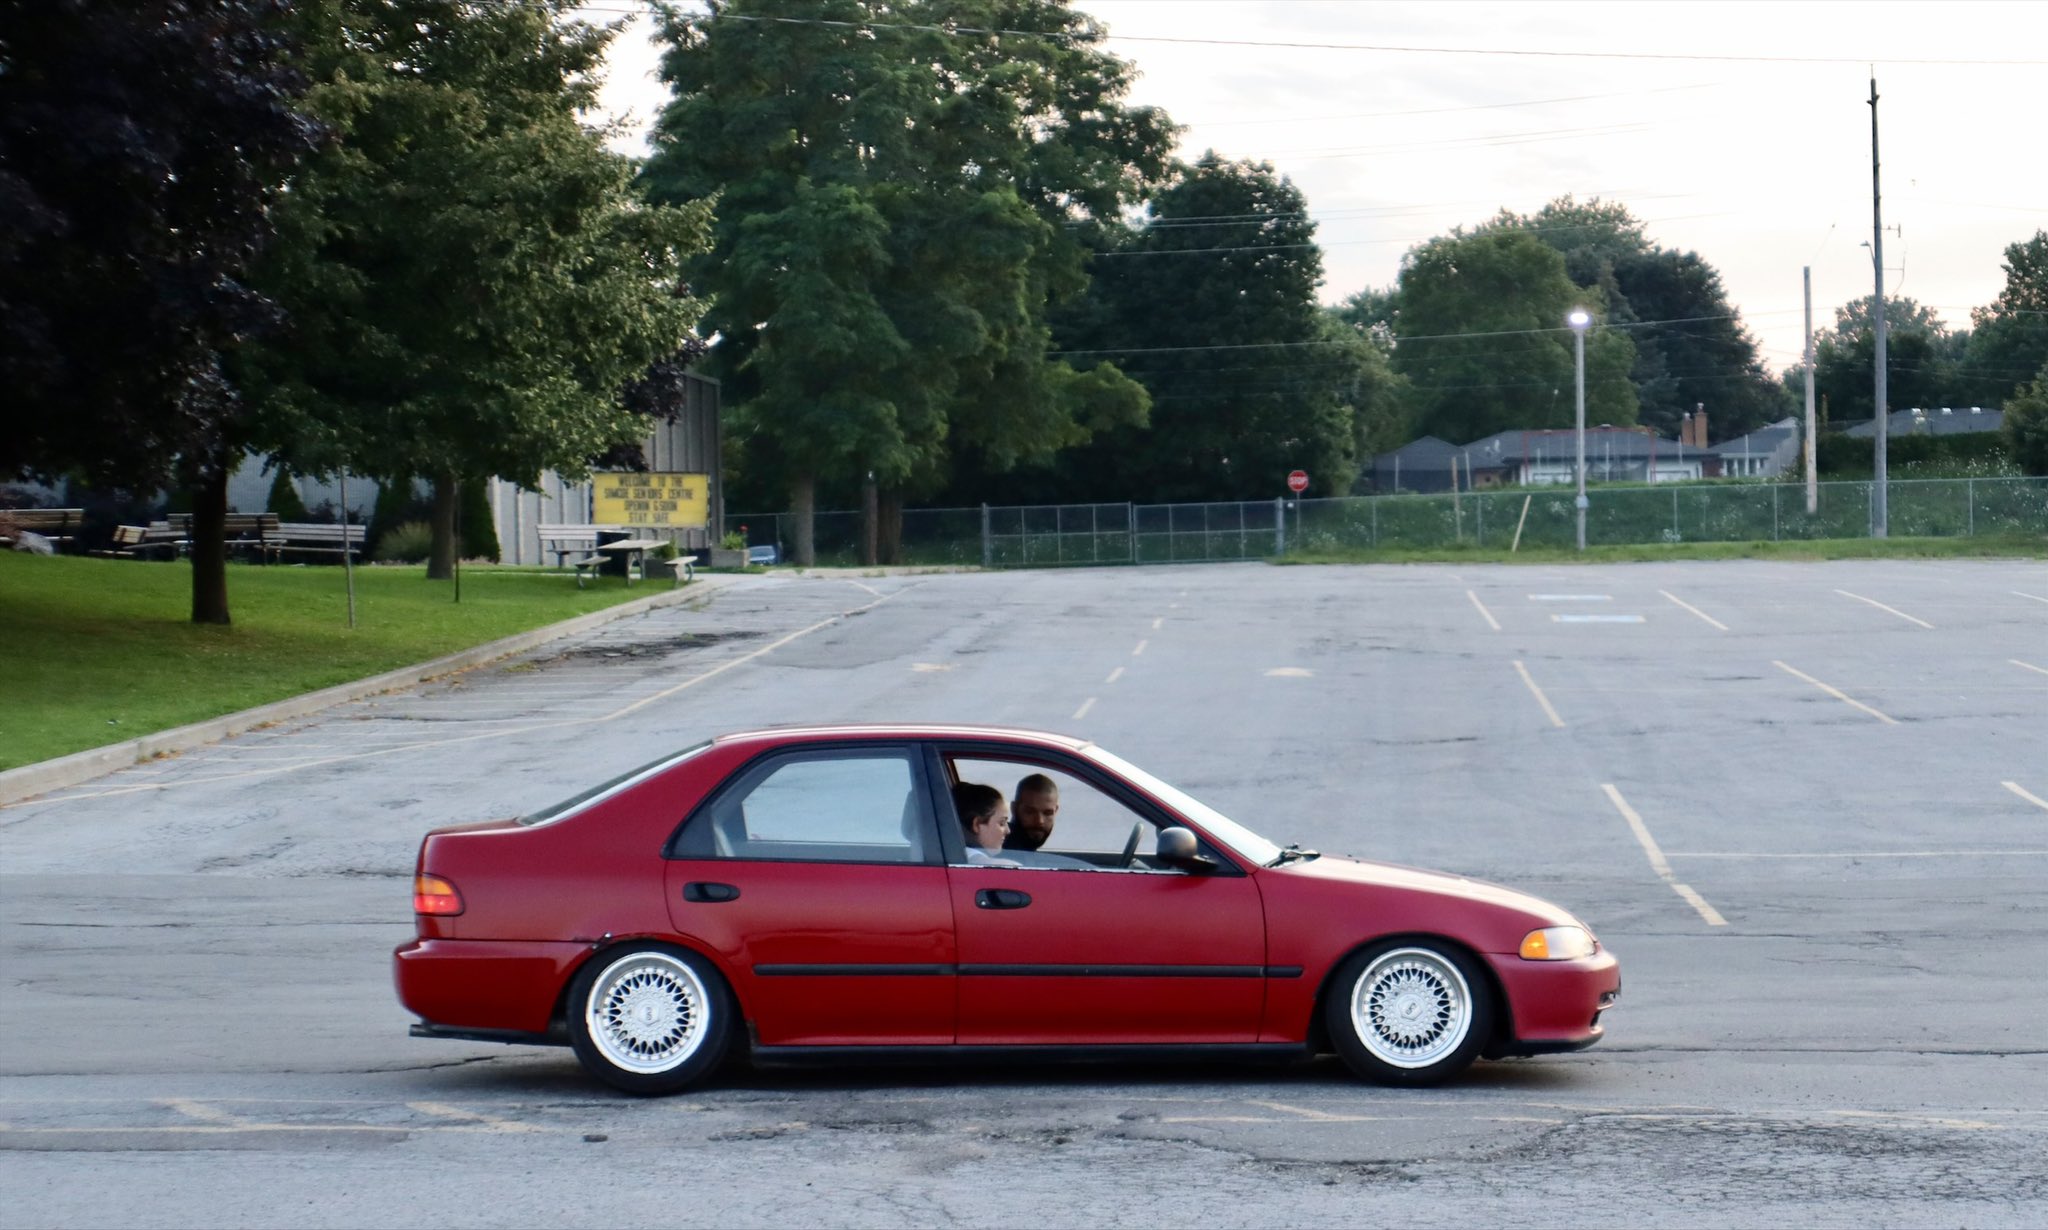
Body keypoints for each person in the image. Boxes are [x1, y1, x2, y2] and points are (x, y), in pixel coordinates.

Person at [952, 781, 1020, 866]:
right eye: (1001, 823)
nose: (1008, 830)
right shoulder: (1001, 867)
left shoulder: (954, 856)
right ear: (977, 825)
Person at [1004, 773, 1061, 852]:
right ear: (1014, 808)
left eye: (1047, 813)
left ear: (1056, 811)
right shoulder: (997, 849)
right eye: (1030, 812)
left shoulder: (1025, 852)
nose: (1039, 821)